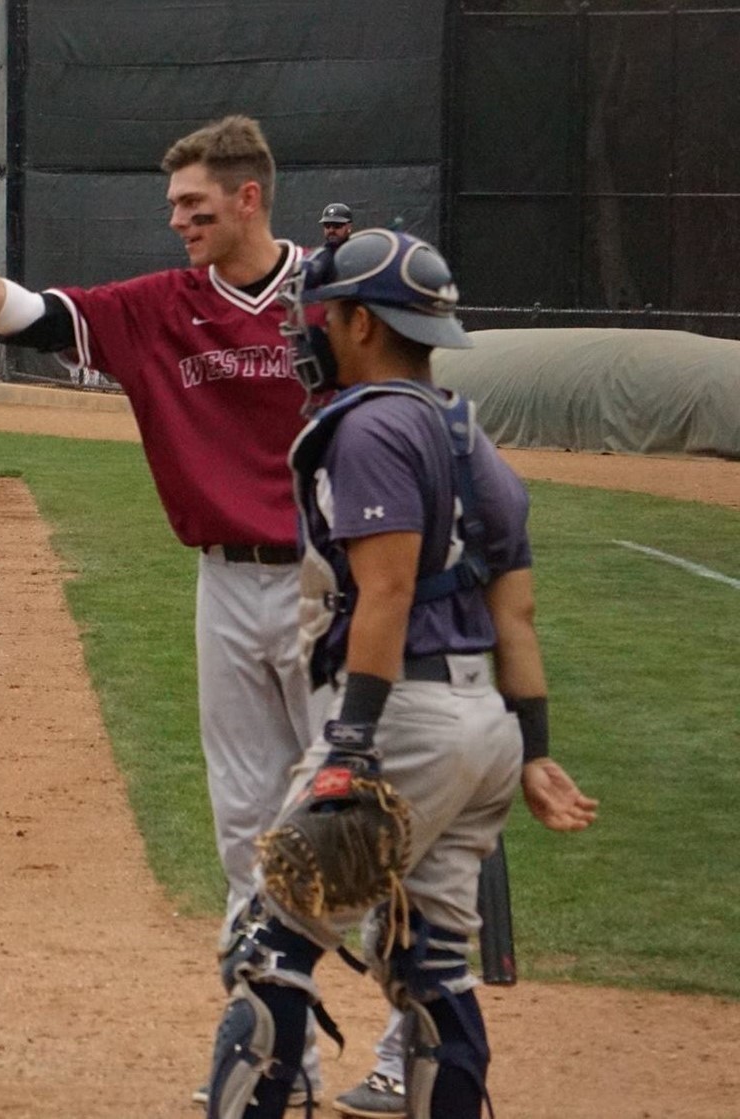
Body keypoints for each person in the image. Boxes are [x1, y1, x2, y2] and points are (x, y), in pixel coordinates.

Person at [0, 113, 384, 1102]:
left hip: (331, 587)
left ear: (248, 198)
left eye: (194, 206)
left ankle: (416, 1039)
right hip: (224, 587)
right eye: (171, 209)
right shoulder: (162, 306)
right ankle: (276, 1058)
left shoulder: (332, 299)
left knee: (353, 826)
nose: (179, 223)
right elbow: (32, 316)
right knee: (243, 826)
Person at [200, 229, 597, 1119]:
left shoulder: (373, 426)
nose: (316, 328)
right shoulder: (472, 439)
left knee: (271, 943)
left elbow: (383, 591)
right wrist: (532, 751)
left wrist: (348, 745)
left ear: (365, 325)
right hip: (483, 727)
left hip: (400, 721)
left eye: (329, 313)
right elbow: (516, 616)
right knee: (431, 966)